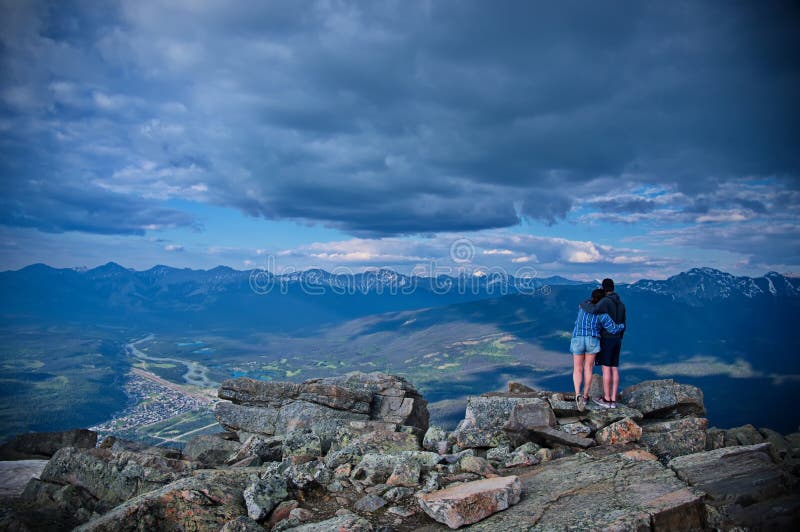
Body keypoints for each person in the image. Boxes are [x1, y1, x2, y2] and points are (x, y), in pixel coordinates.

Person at [570, 288, 625, 412]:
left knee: (577, 368)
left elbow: (586, 303)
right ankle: (585, 397)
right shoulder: (603, 315)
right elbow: (613, 329)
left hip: (578, 338)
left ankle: (577, 393)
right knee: (588, 368)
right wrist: (622, 325)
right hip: (592, 340)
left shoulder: (582, 308)